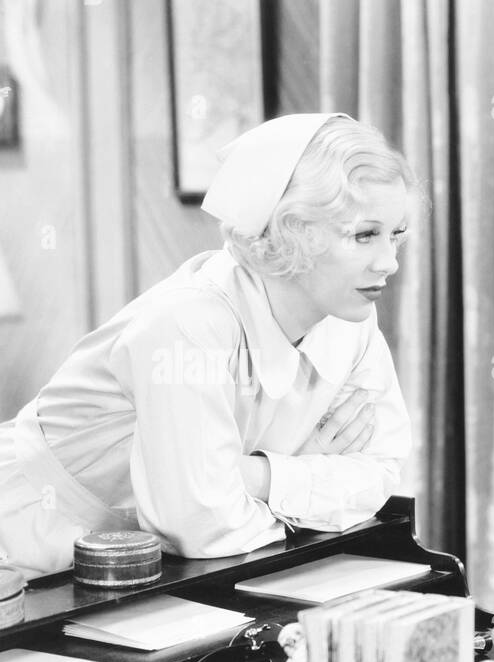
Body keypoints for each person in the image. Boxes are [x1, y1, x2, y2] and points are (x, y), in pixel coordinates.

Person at [0, 113, 413, 578]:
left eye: (396, 234)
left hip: (149, 572)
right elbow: (200, 528)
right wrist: (306, 476)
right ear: (293, 230)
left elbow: (381, 473)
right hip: (27, 538)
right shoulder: (186, 323)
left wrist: (253, 475)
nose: (390, 263)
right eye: (364, 235)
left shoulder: (350, 316)